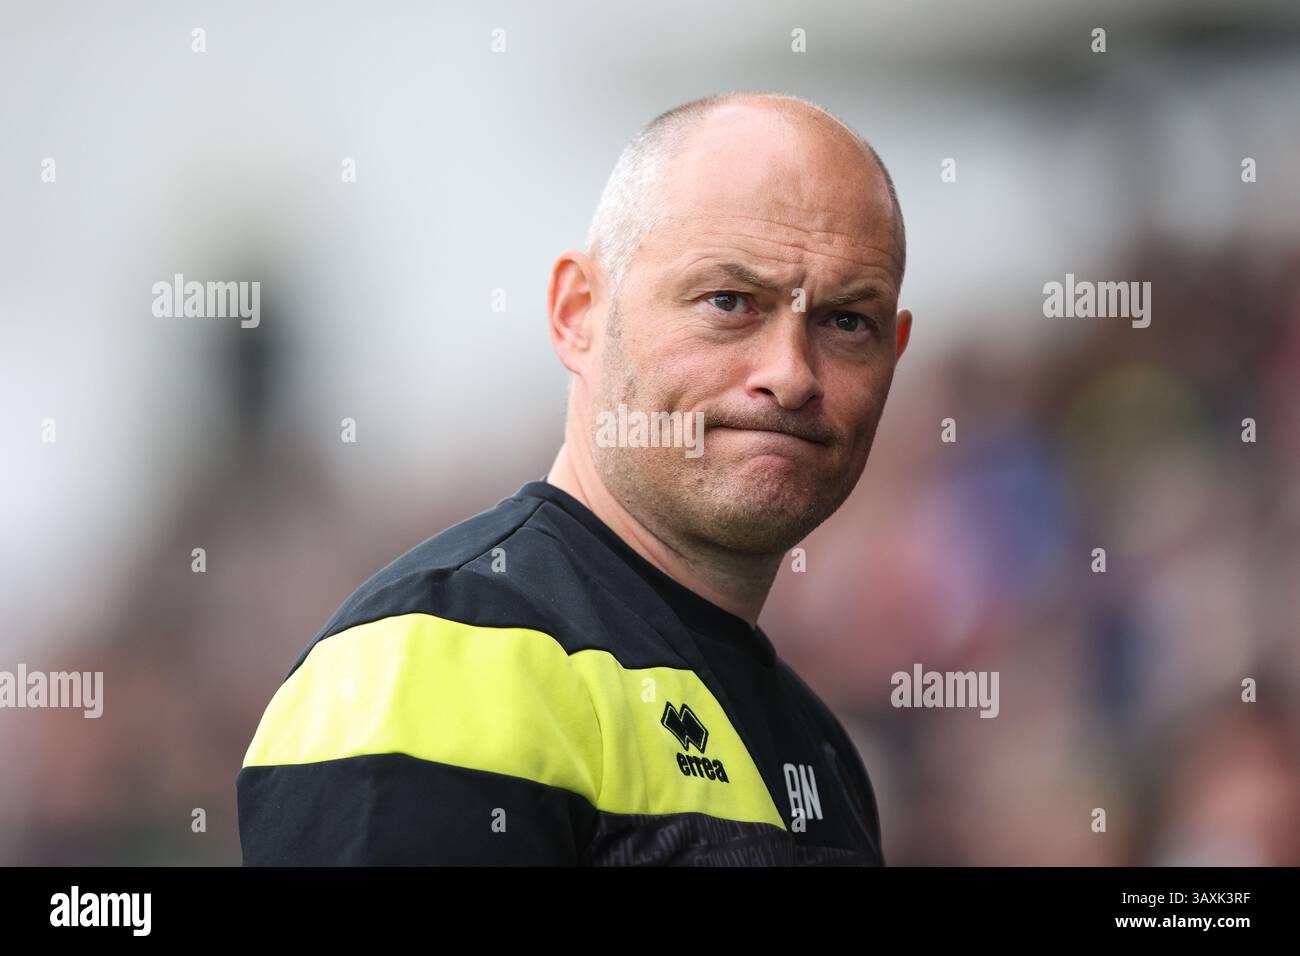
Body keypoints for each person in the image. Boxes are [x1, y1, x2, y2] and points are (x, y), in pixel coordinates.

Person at [237, 90, 912, 865]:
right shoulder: (447, 652)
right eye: (729, 301)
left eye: (846, 321)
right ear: (578, 313)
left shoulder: (822, 749)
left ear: (896, 351)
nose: (791, 374)